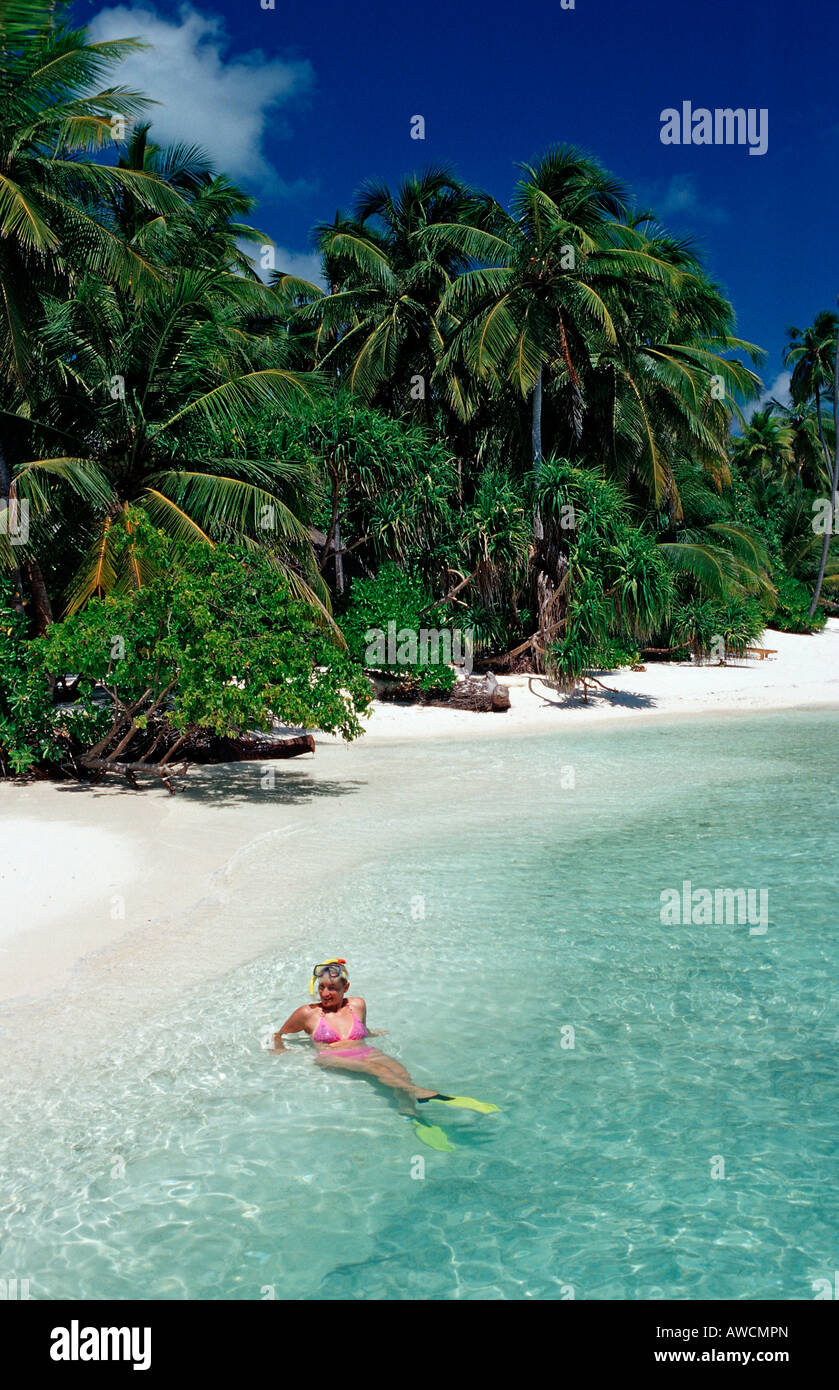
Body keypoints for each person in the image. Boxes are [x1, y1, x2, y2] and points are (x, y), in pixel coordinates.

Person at [269, 958, 499, 1151]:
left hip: (364, 1050)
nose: (325, 993)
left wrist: (372, 1033)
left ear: (345, 988)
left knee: (400, 1072)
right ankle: (424, 1093)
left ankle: (412, 1115)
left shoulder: (357, 1005)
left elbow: (363, 1031)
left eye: (332, 988)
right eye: (321, 988)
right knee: (377, 1070)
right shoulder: (307, 1013)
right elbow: (280, 1034)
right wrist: (280, 1049)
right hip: (331, 1056)